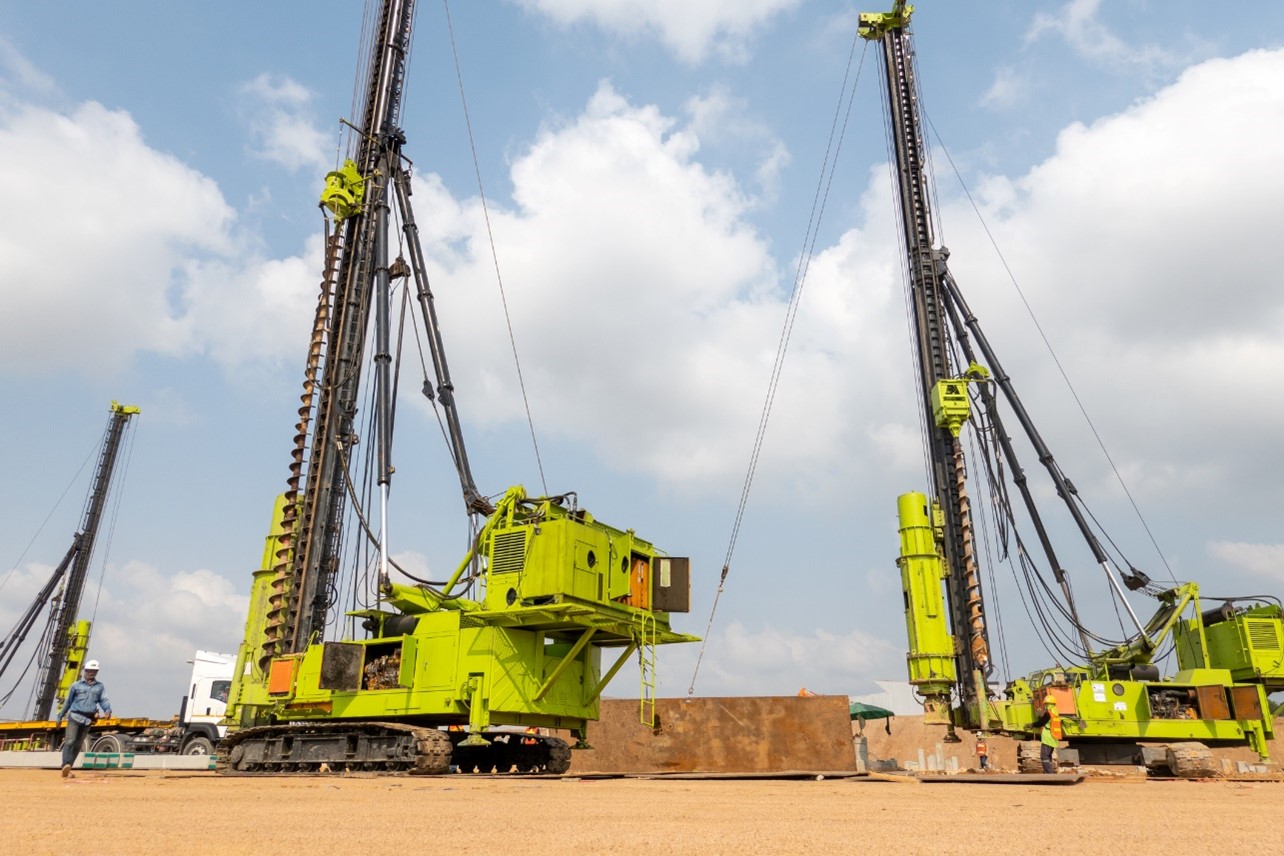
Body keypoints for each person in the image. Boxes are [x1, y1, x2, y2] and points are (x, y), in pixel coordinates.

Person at [55, 659, 112, 778]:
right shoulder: (76, 686)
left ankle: (68, 768)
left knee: (77, 745)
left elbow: (104, 700)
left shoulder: (99, 687)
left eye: (94, 671)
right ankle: (65, 764)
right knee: (70, 741)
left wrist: (107, 710)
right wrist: (59, 717)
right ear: (85, 671)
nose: (92, 673)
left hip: (88, 720)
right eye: (90, 670)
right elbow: (68, 702)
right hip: (75, 717)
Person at [1032, 697, 1062, 774]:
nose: (1045, 705)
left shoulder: (1049, 713)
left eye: (1046, 704)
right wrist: (1041, 717)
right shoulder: (1055, 712)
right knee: (1048, 756)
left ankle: (1048, 773)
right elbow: (1047, 721)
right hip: (1053, 737)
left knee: (1044, 756)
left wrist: (1032, 724)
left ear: (1048, 704)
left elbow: (1041, 722)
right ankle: (1049, 772)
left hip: (1048, 737)